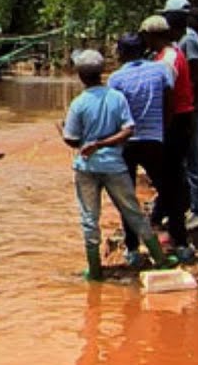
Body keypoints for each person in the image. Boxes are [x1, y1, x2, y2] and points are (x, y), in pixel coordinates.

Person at [61, 49, 170, 281]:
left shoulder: (78, 103)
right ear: (102, 72)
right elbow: (128, 130)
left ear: (80, 75)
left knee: (89, 218)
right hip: (115, 165)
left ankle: (95, 270)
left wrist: (85, 142)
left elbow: (71, 139)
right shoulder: (117, 97)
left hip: (86, 167)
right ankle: (160, 260)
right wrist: (102, 143)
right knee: (133, 212)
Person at [106, 33, 189, 266]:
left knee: (127, 197)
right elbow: (170, 100)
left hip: (127, 142)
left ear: (121, 53)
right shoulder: (160, 70)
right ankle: (181, 244)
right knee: (170, 191)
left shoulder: (115, 79)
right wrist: (165, 125)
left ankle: (132, 250)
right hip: (155, 139)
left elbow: (115, 113)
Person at [141, 14, 196, 260]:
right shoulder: (167, 56)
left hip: (176, 119)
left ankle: (175, 232)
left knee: (171, 177)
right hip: (178, 118)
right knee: (171, 176)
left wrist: (161, 126)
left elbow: (167, 95)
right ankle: (161, 219)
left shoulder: (168, 59)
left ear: (154, 36)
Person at [164, 0, 198, 229]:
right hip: (185, 109)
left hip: (191, 109)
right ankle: (183, 206)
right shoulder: (180, 40)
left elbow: (197, 75)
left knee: (192, 158)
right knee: (183, 159)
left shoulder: (188, 40)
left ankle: (197, 210)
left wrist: (190, 107)